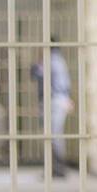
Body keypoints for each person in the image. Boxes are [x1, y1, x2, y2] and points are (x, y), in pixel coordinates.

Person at [32, 46, 73, 177]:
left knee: (52, 135)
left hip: (53, 101)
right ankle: (57, 168)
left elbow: (35, 73)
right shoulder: (60, 60)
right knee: (55, 135)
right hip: (60, 100)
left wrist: (38, 62)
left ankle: (57, 168)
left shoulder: (50, 60)